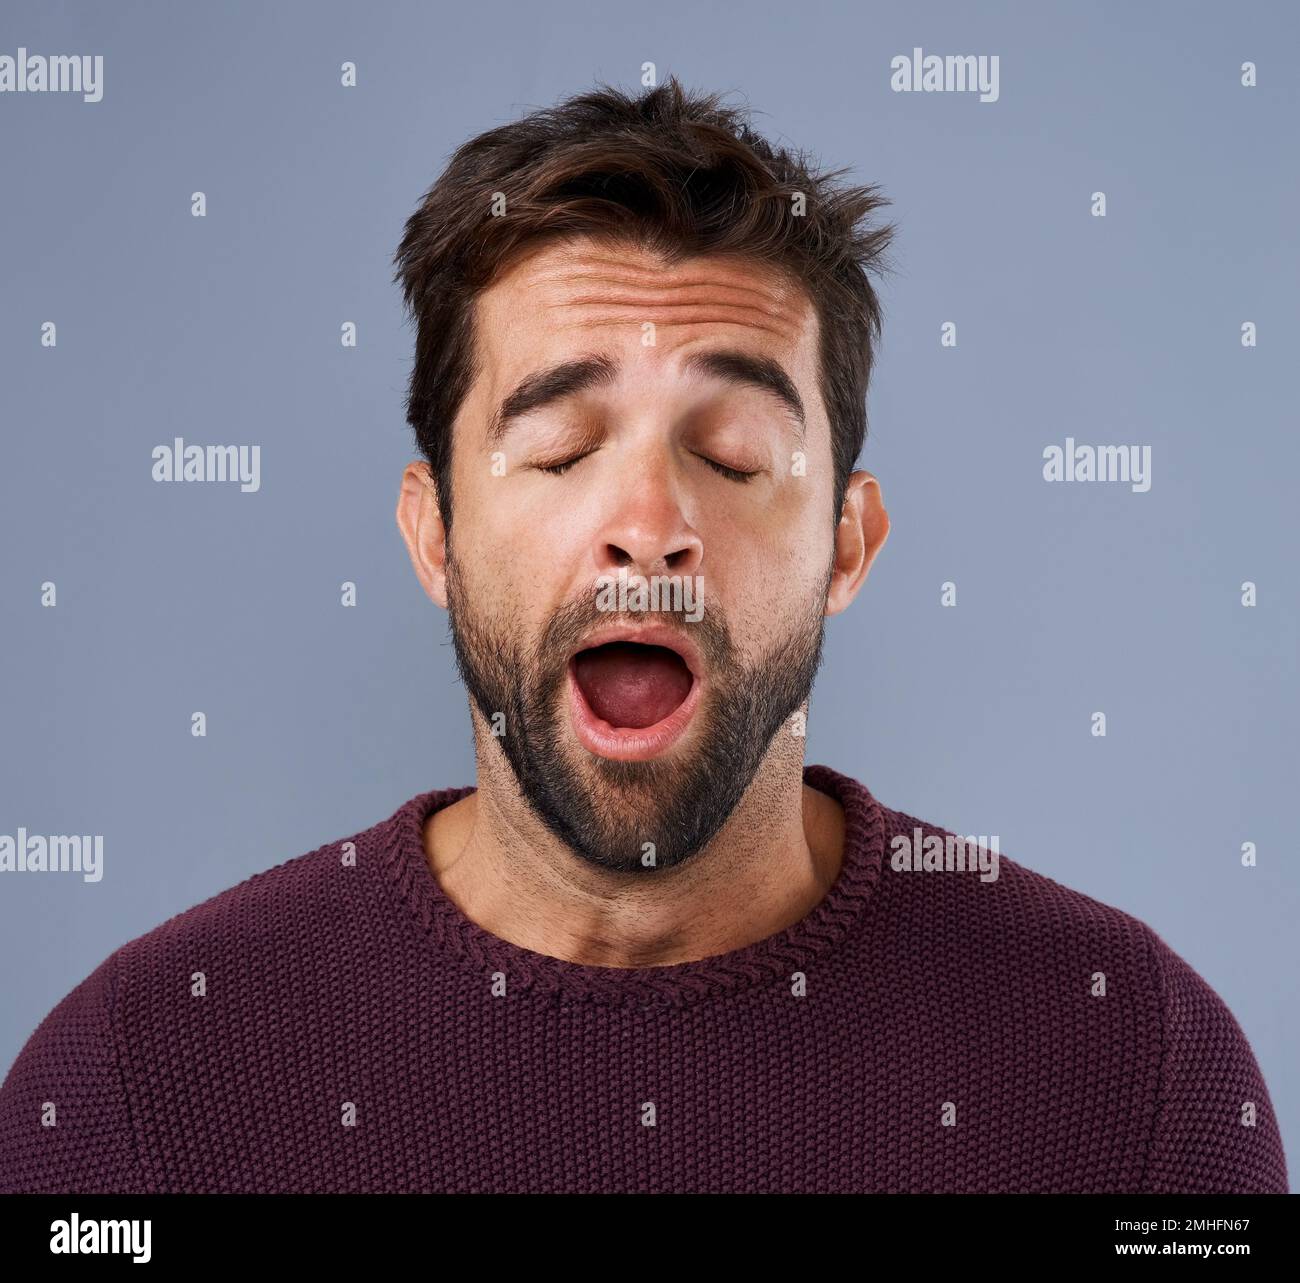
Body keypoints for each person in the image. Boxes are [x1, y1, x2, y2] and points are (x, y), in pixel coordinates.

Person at [0, 78, 1285, 1194]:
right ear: (433, 534)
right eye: (558, 448)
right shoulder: (132, 1088)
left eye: (731, 454)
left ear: (847, 544)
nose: (650, 527)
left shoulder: (1137, 1076)